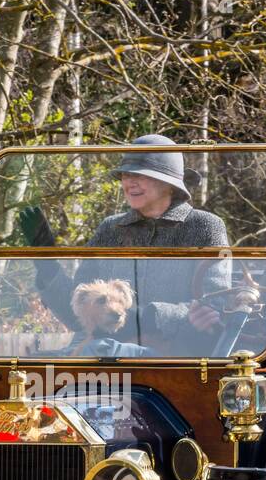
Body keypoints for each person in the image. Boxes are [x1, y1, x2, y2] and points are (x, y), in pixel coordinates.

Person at [25, 134, 232, 352]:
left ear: (170, 185)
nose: (129, 182)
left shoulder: (205, 226)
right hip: (101, 355)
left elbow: (215, 304)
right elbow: (77, 313)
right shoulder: (110, 228)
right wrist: (47, 265)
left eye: (141, 175)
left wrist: (149, 317)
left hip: (174, 359)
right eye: (126, 174)